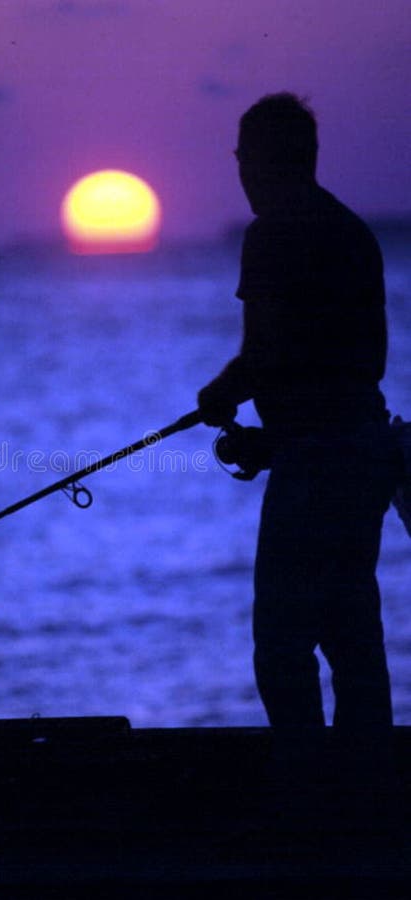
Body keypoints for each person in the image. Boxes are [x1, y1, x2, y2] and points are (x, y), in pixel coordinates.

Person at [197, 93, 399, 782]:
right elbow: (337, 368)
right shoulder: (349, 230)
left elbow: (264, 353)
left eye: (242, 157)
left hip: (316, 467)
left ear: (260, 160)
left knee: (281, 645)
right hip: (364, 455)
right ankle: (366, 788)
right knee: (351, 637)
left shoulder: (274, 232)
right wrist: (267, 443)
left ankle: (309, 787)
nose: (239, 171)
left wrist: (217, 396)